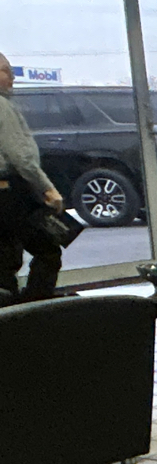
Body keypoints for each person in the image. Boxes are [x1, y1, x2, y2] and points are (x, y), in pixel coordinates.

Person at [0, 52, 65, 303]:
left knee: (4, 259)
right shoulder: (2, 106)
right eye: (7, 71)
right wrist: (48, 189)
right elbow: (21, 157)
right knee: (48, 250)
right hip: (8, 193)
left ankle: (10, 314)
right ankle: (35, 309)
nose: (13, 78)